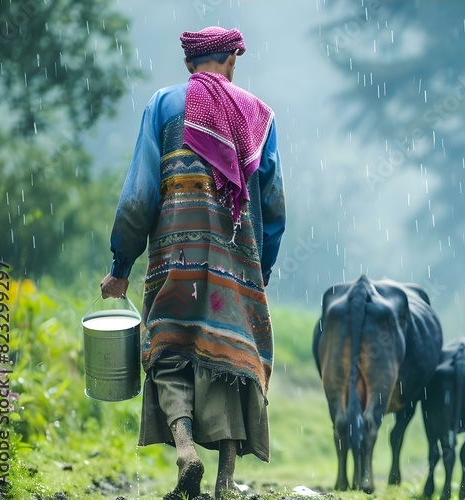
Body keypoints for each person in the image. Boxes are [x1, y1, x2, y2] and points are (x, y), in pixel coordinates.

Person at [99, 26, 285, 500]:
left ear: (189, 65)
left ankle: (185, 449)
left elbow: (139, 195)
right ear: (232, 61)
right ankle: (225, 481)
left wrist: (121, 265)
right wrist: (260, 266)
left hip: (174, 257)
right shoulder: (258, 115)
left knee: (169, 346)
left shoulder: (163, 105)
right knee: (231, 354)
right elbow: (274, 204)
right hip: (234, 261)